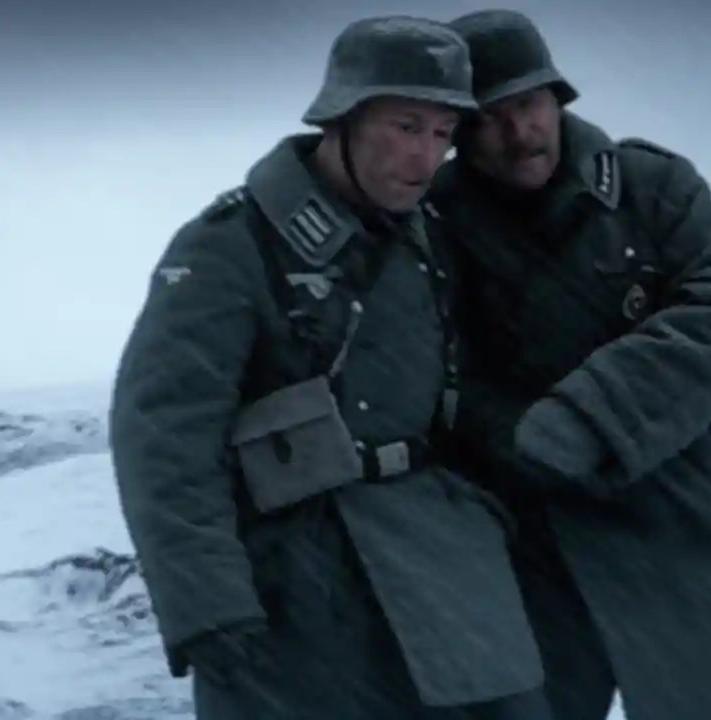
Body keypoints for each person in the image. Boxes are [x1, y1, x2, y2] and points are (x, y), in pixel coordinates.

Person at [108, 16, 553, 719]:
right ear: (342, 120)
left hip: (449, 571)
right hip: (301, 589)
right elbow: (164, 434)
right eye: (406, 127)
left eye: (441, 135)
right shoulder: (231, 246)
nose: (424, 156)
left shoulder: (430, 238)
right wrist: (207, 603)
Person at [430, 9, 711, 720]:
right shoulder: (430, 226)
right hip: (524, 535)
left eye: (530, 106)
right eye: (491, 119)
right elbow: (426, 368)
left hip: (683, 509)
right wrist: (513, 439)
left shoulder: (650, 187)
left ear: (558, 100)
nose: (521, 135)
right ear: (457, 131)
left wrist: (587, 417)